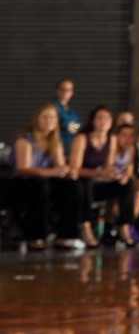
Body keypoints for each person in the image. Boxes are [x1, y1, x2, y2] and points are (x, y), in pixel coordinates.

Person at [14, 104, 84, 251]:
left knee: (73, 186)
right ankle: (35, 236)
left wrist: (68, 172)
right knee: (40, 185)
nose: (48, 120)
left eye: (52, 117)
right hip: (21, 182)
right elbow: (23, 168)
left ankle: (65, 236)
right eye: (44, 117)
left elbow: (59, 165)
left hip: (44, 181)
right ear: (37, 119)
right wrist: (52, 172)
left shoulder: (55, 141)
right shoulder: (25, 140)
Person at [68, 105, 120, 248]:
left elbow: (108, 166)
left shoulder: (112, 139)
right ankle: (85, 225)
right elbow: (75, 168)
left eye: (106, 118)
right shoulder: (82, 138)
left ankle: (122, 228)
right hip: (82, 181)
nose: (103, 121)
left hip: (99, 181)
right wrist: (98, 173)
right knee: (86, 182)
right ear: (92, 121)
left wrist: (114, 174)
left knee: (127, 184)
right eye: (99, 118)